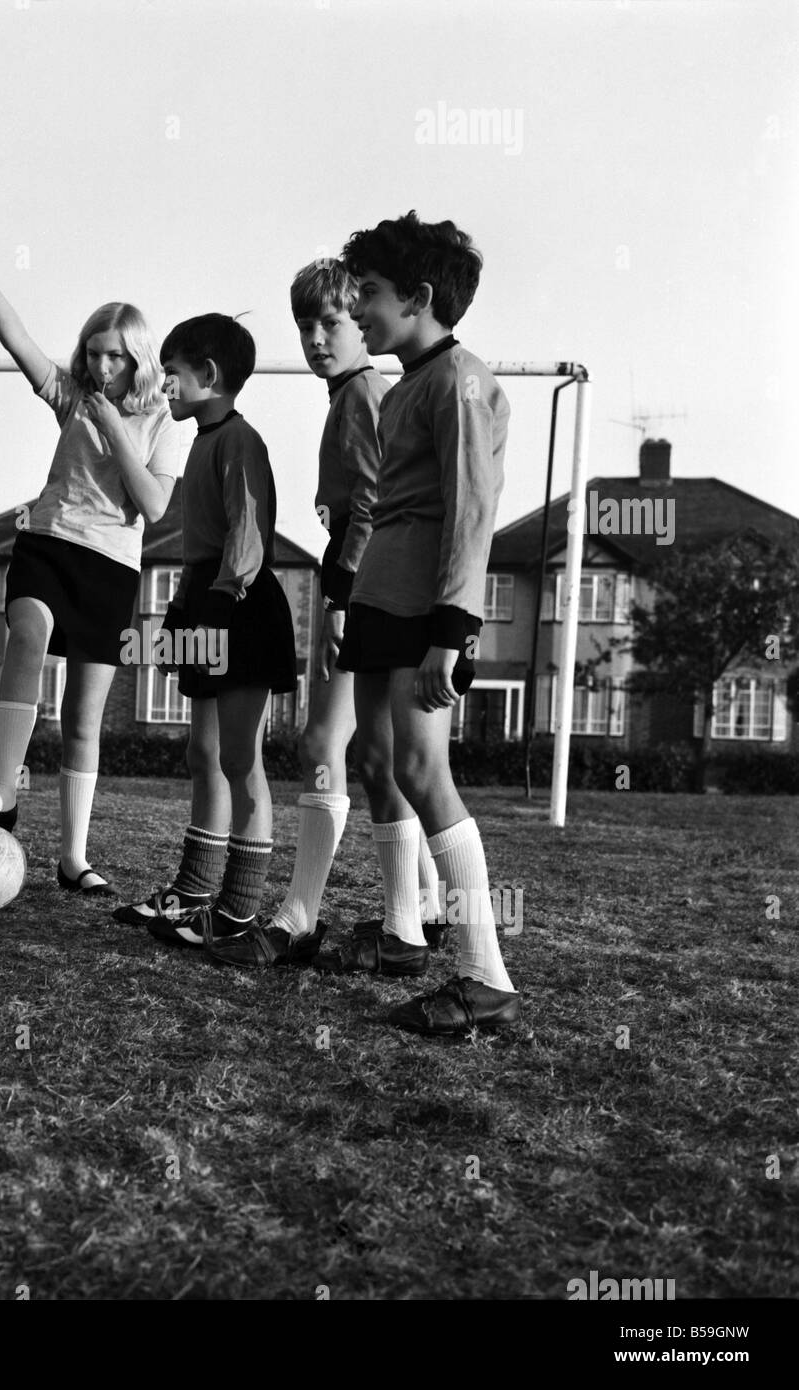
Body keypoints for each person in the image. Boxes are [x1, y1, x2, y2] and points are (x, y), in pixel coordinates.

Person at [0, 214, 180, 895]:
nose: (101, 366)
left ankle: (73, 858)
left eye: (115, 356)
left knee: (83, 717)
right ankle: (3, 794)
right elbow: (16, 338)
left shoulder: (161, 420)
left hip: (111, 566)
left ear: (138, 360)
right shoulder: (70, 397)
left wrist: (114, 428)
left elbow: (153, 508)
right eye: (93, 352)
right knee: (27, 633)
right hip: (47, 542)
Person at [208, 260, 442, 969]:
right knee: (372, 757)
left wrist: (341, 597)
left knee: (322, 747)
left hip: (371, 582)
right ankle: (421, 911)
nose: (316, 338)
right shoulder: (348, 393)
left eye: (331, 323)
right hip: (358, 576)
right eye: (305, 325)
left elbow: (374, 505)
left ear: (361, 324)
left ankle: (302, 916)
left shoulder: (366, 390)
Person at [331, 211, 520, 1035]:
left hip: (426, 613)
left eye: (368, 294)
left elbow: (473, 513)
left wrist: (452, 629)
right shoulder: (402, 384)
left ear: (420, 296)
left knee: (421, 766)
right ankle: (404, 934)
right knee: (374, 759)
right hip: (380, 599)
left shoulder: (462, 381)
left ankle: (486, 974)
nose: (359, 311)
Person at [118, 313, 297, 952]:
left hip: (240, 610)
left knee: (240, 760)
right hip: (206, 602)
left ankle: (238, 912)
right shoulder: (202, 438)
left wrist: (212, 612)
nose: (164, 385)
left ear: (210, 375)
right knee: (203, 755)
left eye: (172, 373)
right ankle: (194, 892)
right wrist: (180, 613)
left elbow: (247, 540)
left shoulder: (239, 442)